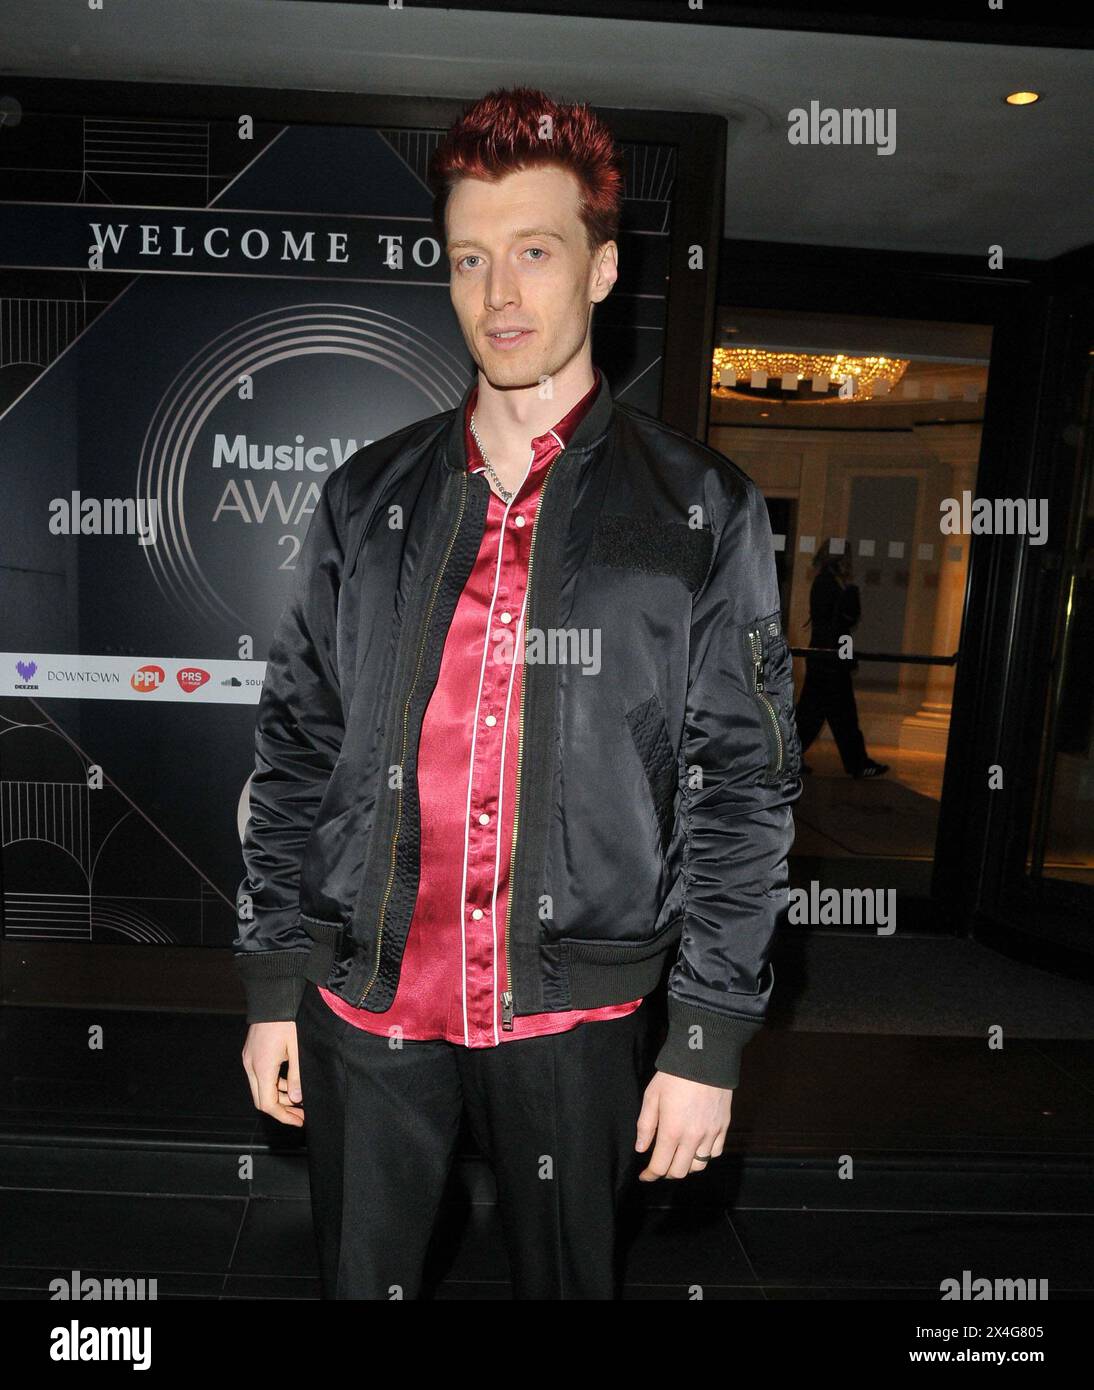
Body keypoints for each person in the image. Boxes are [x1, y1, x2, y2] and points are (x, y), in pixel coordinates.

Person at [234, 86, 802, 1300]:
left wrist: (704, 1036)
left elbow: (743, 787)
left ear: (601, 269)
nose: (499, 296)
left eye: (534, 254)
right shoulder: (363, 497)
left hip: (572, 1017)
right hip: (366, 999)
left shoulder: (701, 508)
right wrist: (274, 982)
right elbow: (295, 747)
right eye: (470, 260)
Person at [794, 539, 889, 778]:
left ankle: (788, 759)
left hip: (825, 658)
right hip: (830, 660)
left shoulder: (825, 581)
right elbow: (839, 623)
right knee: (838, 715)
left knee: (814, 714)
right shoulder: (829, 583)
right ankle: (857, 763)